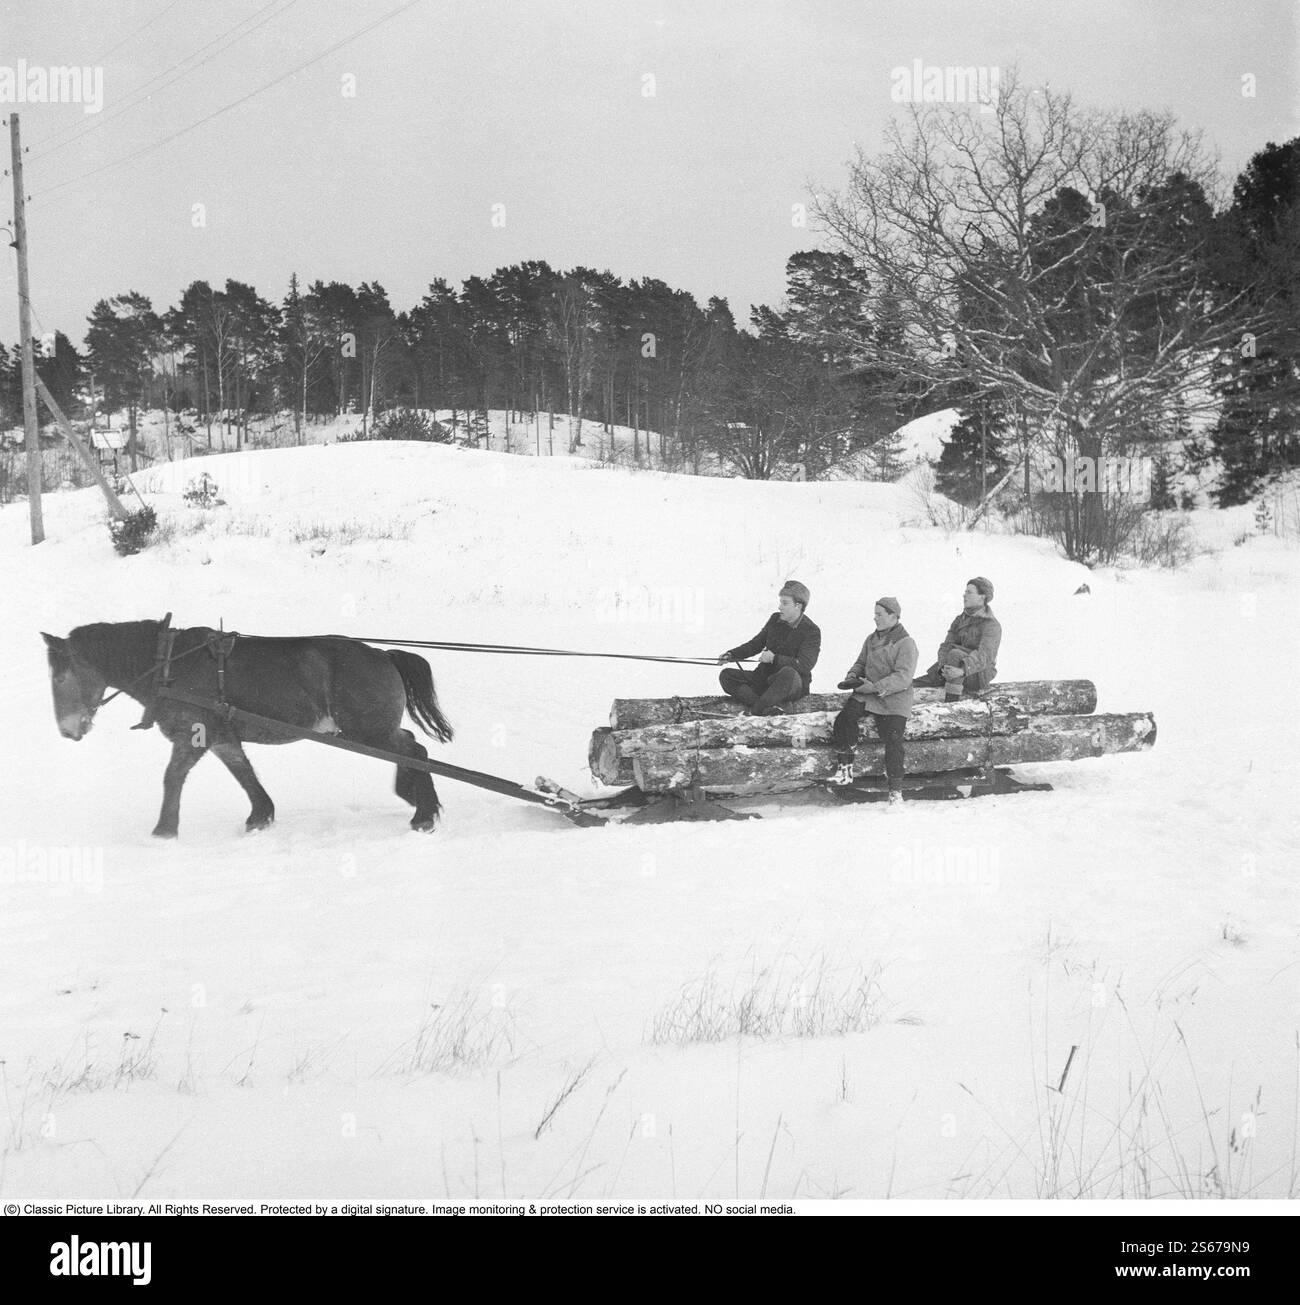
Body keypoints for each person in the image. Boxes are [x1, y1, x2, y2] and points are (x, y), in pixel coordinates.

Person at [830, 597, 918, 803]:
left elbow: (903, 677)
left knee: (893, 738)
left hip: (894, 698)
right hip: (868, 693)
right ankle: (845, 767)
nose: (875, 618)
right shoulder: (871, 639)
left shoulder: (906, 643)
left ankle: (896, 790)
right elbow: (860, 662)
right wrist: (852, 676)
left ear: (893, 616)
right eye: (875, 613)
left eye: (879, 614)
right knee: (844, 719)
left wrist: (876, 687)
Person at [716, 580, 821, 716]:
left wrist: (774, 659)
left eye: (785, 603)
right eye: (780, 602)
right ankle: (765, 708)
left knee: (788, 673)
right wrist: (731, 654)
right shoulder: (775, 619)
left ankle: (756, 711)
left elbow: (805, 665)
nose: (780, 607)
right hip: (765, 679)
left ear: (798, 605)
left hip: (790, 684)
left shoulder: (811, 631)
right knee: (727, 675)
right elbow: (755, 644)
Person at [913, 576, 1001, 701]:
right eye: (965, 592)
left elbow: (985, 656)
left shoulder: (991, 625)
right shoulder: (959, 620)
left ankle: (951, 703)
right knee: (917, 683)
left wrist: (962, 671)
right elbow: (946, 646)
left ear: (982, 597)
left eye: (969, 592)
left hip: (978, 674)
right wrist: (944, 667)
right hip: (954, 666)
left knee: (955, 654)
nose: (964, 595)